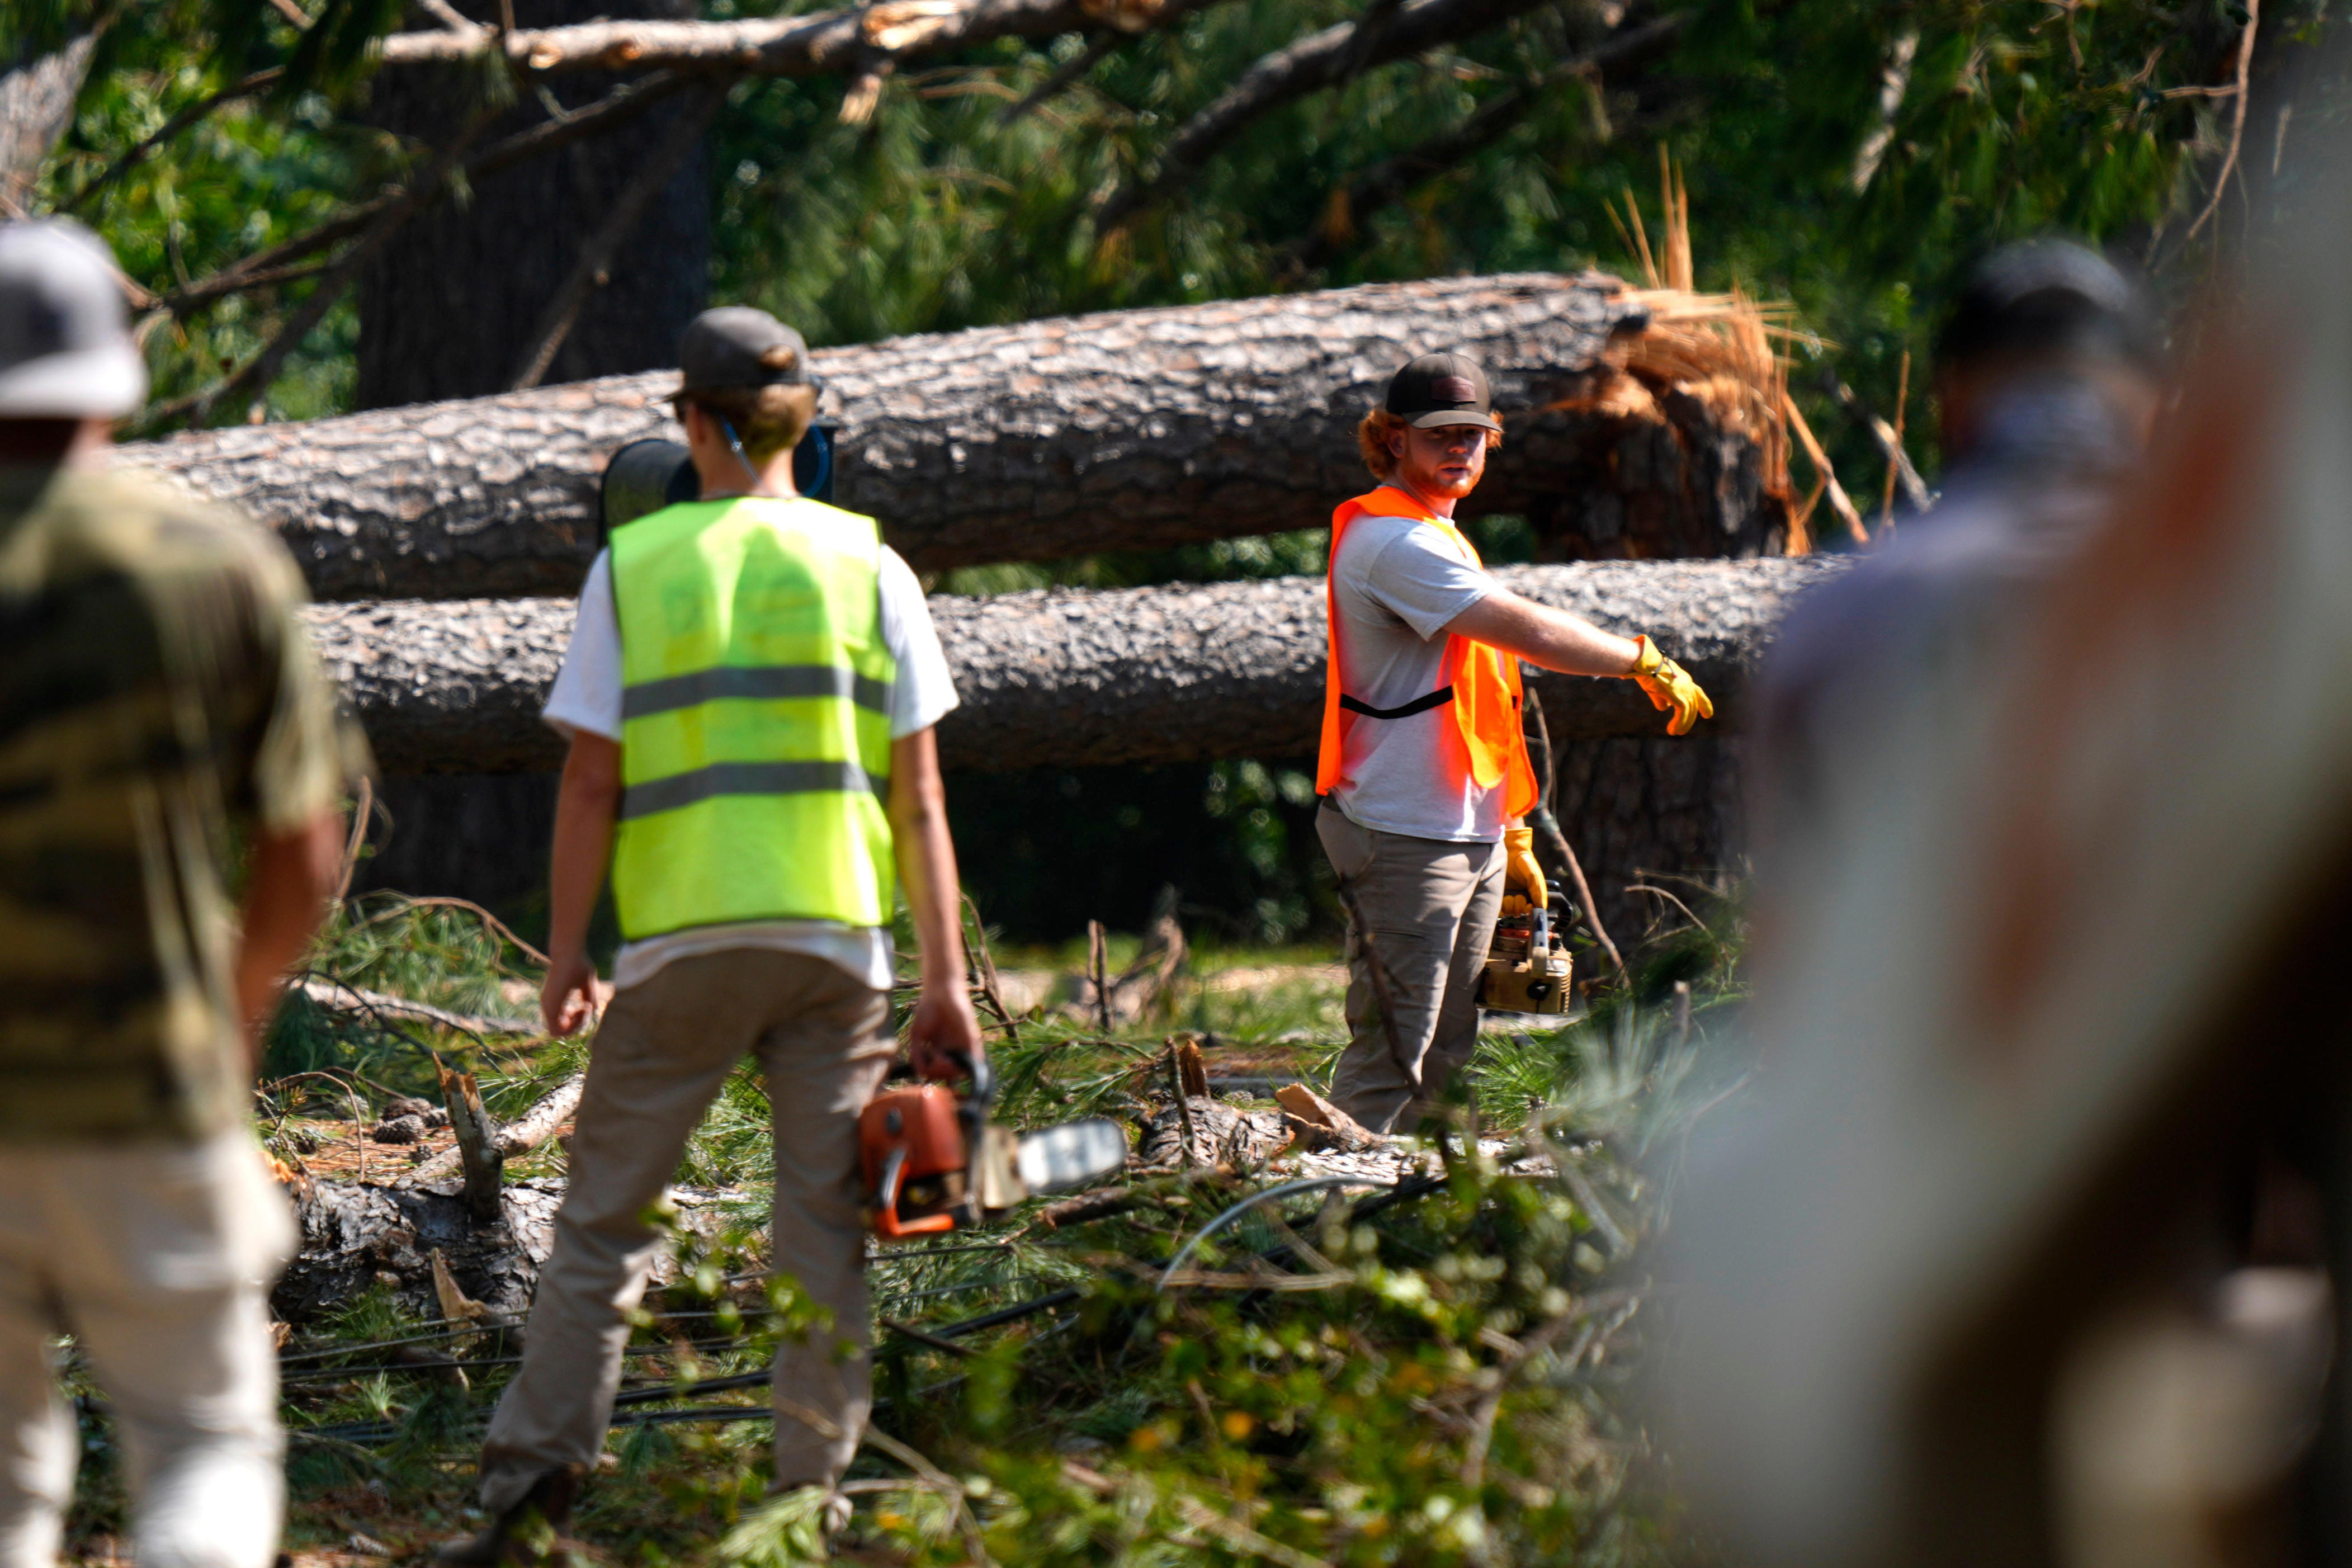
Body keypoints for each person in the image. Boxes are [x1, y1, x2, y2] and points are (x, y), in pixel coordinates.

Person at [443, 306, 981, 1562]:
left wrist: (567, 949)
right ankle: (808, 1504)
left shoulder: (635, 567)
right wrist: (946, 979)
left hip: (683, 942)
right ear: (805, 426)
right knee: (825, 1230)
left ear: (690, 421)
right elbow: (920, 795)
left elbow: (590, 782)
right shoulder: (871, 566)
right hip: (836, 946)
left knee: (603, 1226)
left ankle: (528, 1496)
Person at [0, 220, 360, 1568]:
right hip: (146, 1088)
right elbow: (304, 852)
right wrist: (234, 1011)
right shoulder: (215, 563)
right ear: (113, 372)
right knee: (203, 1442)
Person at [1316, 351, 1712, 1133]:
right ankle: (1320, 1200)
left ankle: (1402, 1201)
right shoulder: (1394, 542)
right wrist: (1640, 659)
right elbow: (1527, 631)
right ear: (1393, 439)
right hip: (1405, 835)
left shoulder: (1438, 533)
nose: (1459, 448)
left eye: (1473, 434)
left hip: (1464, 831)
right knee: (1394, 1051)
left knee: (1447, 1052)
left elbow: (1480, 702)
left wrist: (1512, 828)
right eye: (1439, 434)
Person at [1751, 238, 2166, 863]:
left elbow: (1795, 895)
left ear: (1951, 400)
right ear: (2151, 405)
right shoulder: (2254, 595)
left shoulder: (1840, 618)